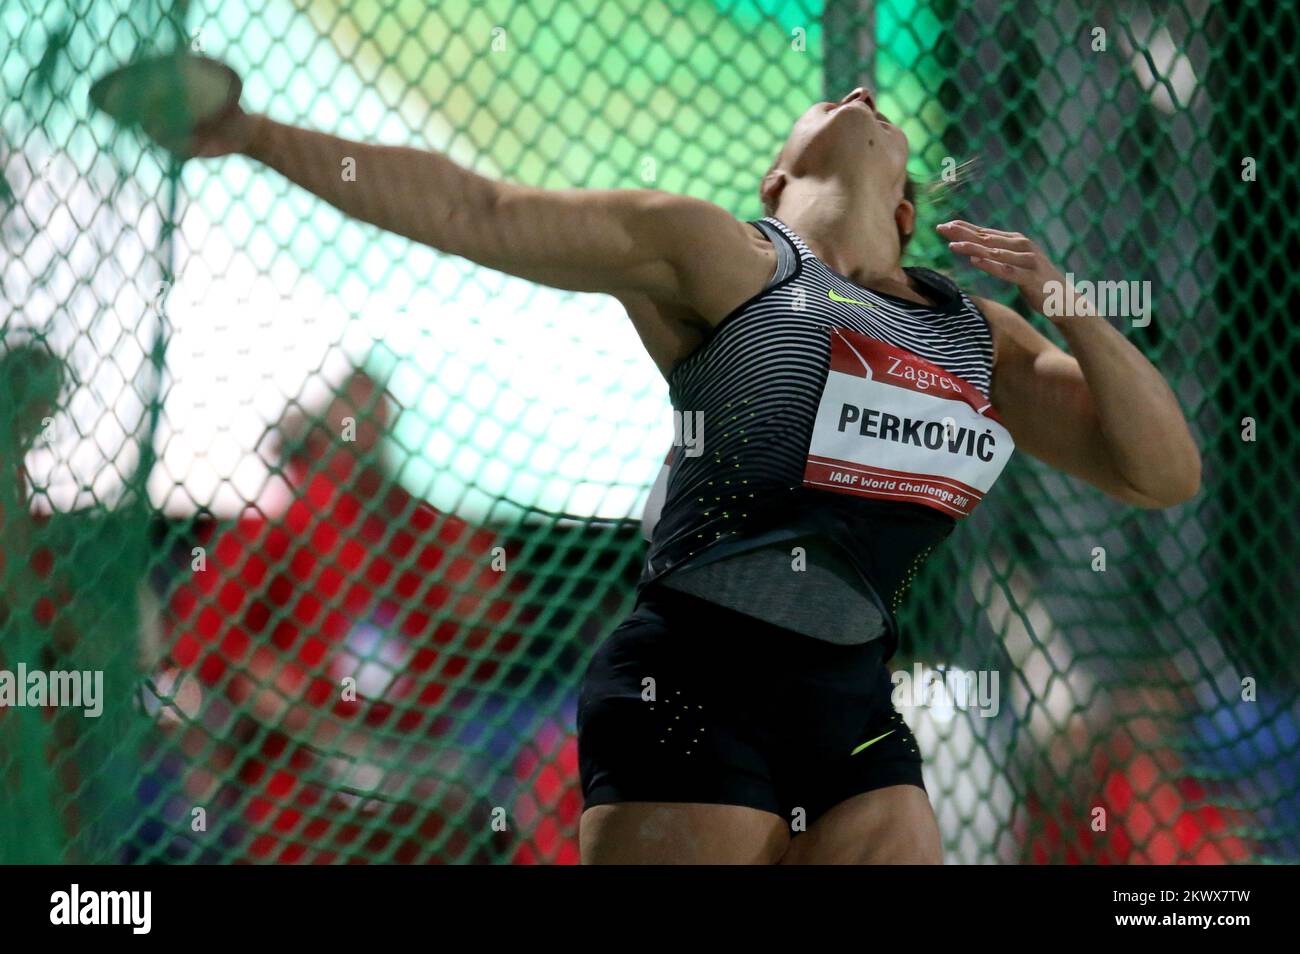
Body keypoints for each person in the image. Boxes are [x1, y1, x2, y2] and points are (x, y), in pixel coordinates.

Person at [136, 69, 1200, 864]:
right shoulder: (724, 258)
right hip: (693, 683)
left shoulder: (979, 336)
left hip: (853, 702)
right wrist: (249, 135)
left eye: (885, 117)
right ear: (777, 177)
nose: (867, 89)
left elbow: (1162, 473)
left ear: (910, 210)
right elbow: (481, 212)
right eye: (837, 101)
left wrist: (1064, 303)